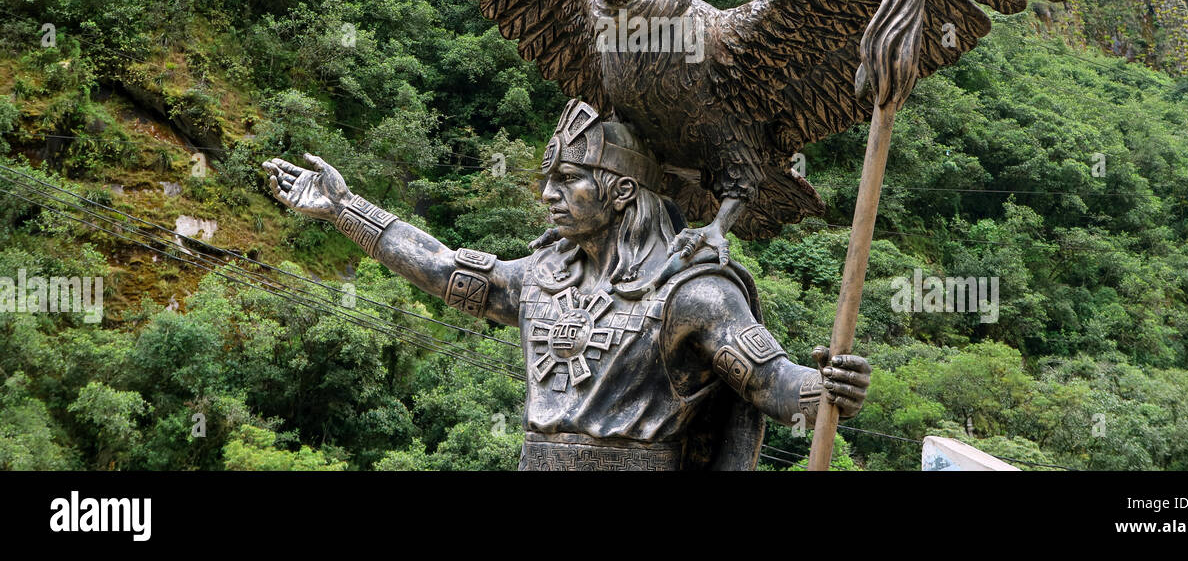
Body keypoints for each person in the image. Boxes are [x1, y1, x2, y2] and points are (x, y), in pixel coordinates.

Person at [262, 99, 870, 470]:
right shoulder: (540, 279)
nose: (548, 193)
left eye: (569, 178)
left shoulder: (692, 293)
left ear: (622, 190)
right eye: (547, 178)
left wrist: (826, 385)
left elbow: (771, 384)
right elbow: (445, 271)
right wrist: (344, 208)